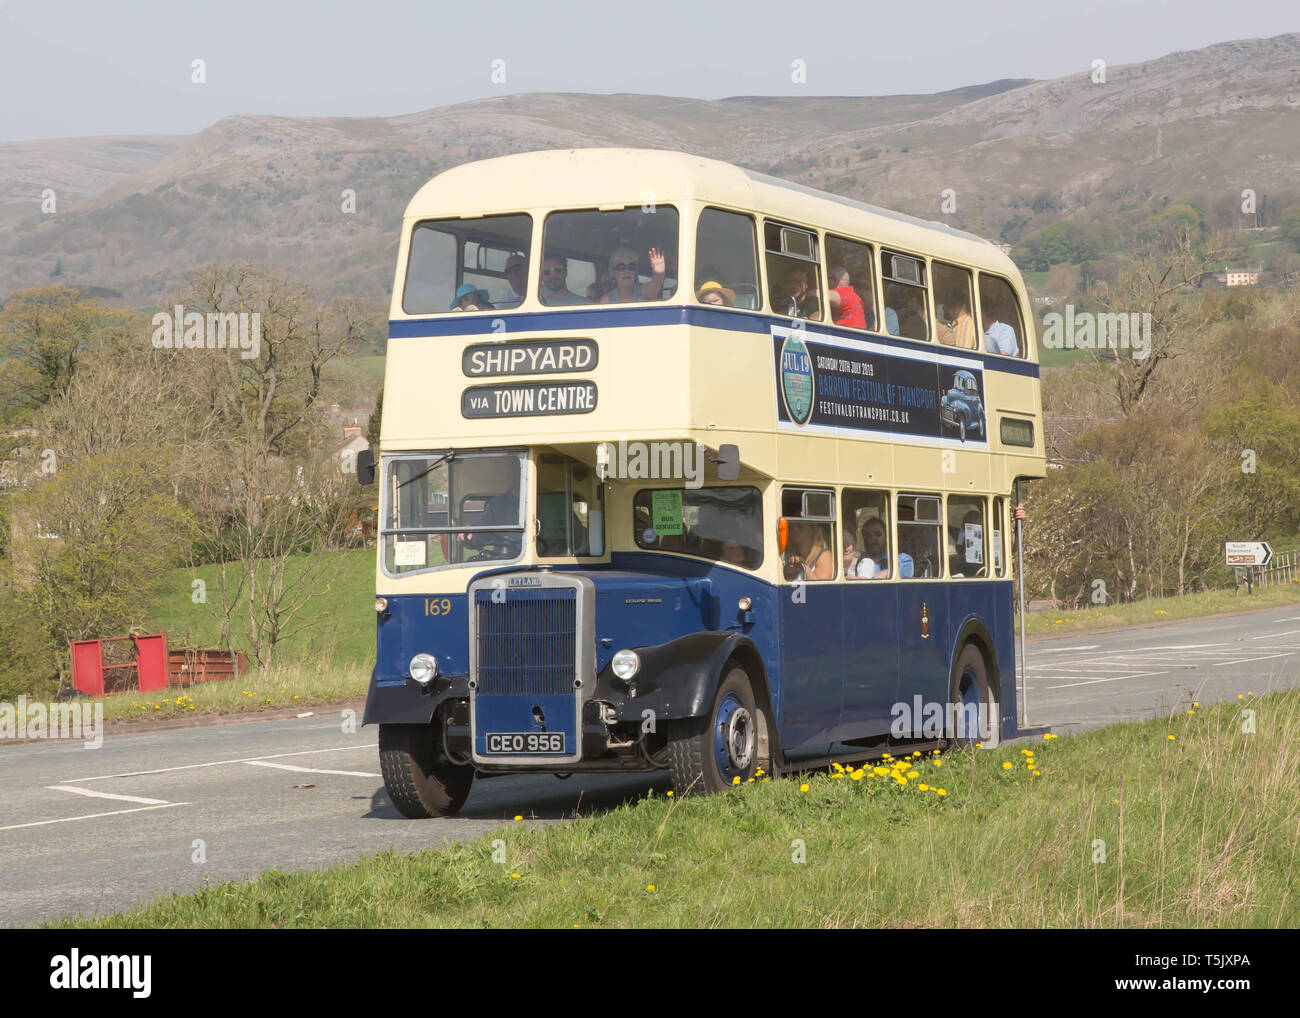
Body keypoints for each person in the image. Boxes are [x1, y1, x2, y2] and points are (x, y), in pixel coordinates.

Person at [600, 246, 667, 303]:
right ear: (614, 273)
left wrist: (659, 274)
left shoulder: (644, 291)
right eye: (621, 267)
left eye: (631, 267)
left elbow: (655, 285)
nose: (627, 271)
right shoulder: (606, 300)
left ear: (635, 273)